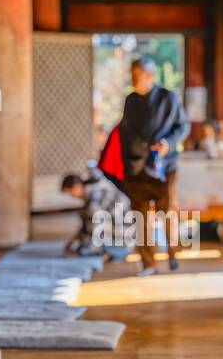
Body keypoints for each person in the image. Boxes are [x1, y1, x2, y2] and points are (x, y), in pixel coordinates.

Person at [115, 57, 189, 275]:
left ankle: (172, 253)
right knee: (141, 216)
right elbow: (124, 132)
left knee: (167, 211)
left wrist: (167, 143)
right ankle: (148, 263)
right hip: (136, 167)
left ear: (149, 76)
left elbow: (182, 126)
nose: (134, 79)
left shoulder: (168, 98)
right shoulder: (130, 100)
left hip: (164, 166)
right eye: (132, 75)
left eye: (137, 75)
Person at [60, 168, 132, 260]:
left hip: (124, 235)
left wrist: (81, 252)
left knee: (93, 246)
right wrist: (74, 240)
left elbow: (95, 229)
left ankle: (120, 251)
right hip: (123, 230)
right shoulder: (94, 190)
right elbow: (88, 224)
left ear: (76, 187)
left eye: (71, 193)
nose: (72, 197)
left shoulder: (95, 197)